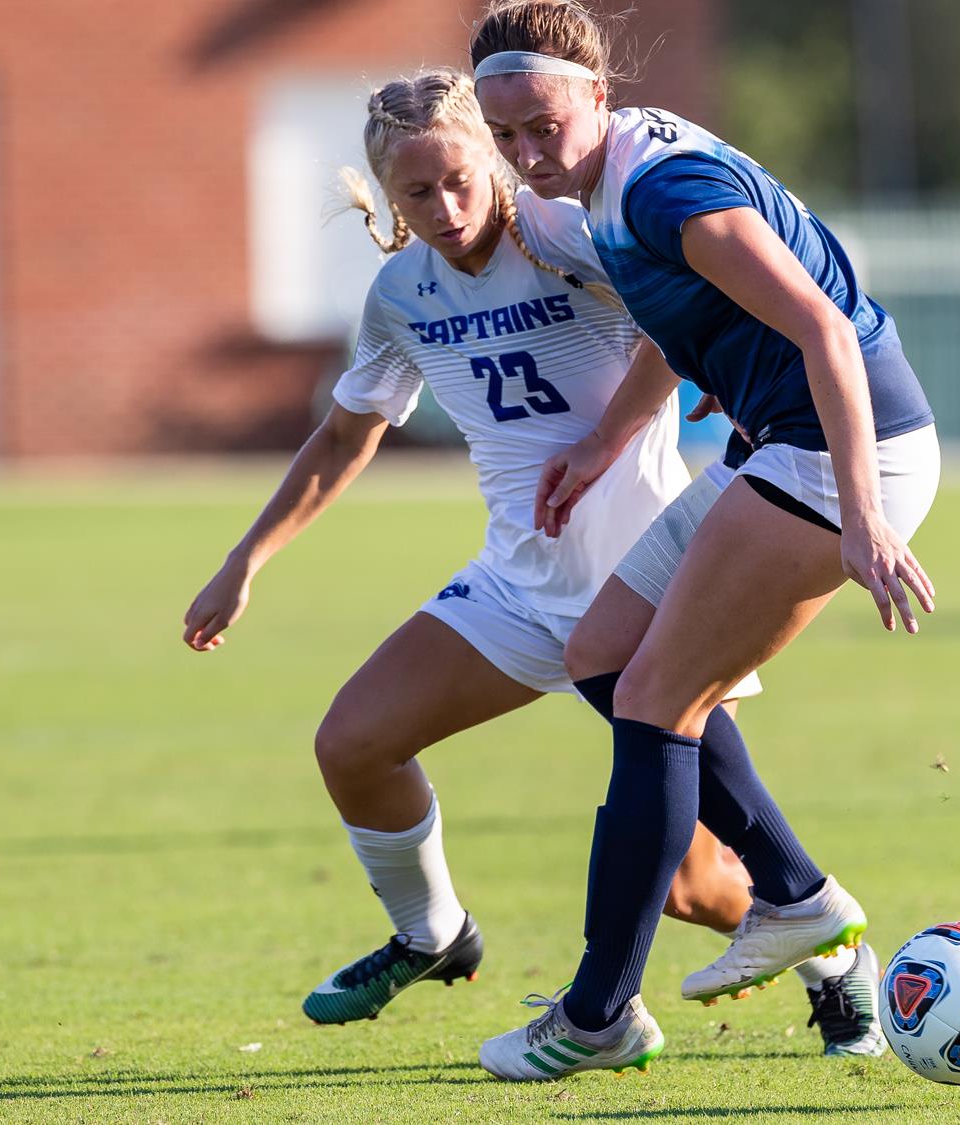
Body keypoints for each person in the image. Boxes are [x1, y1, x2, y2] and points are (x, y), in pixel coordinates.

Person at [178, 71, 870, 1047]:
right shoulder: (399, 296)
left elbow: (684, 318)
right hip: (518, 584)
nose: (447, 209)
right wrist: (244, 559)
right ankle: (434, 935)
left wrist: (687, 395)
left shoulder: (565, 237)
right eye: (417, 194)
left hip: (652, 588)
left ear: (495, 160)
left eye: (461, 179)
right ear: (387, 196)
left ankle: (834, 957)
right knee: (353, 744)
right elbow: (341, 437)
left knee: (691, 885)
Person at [465, 0, 941, 1080]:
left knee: (651, 700)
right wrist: (603, 443)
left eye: (542, 125)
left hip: (835, 453)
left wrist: (863, 515)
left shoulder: (660, 187)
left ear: (595, 93)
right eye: (505, 137)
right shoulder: (611, 183)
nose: (526, 153)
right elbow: (679, 328)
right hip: (780, 446)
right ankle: (795, 896)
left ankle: (595, 1016)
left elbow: (823, 326)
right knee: (602, 658)